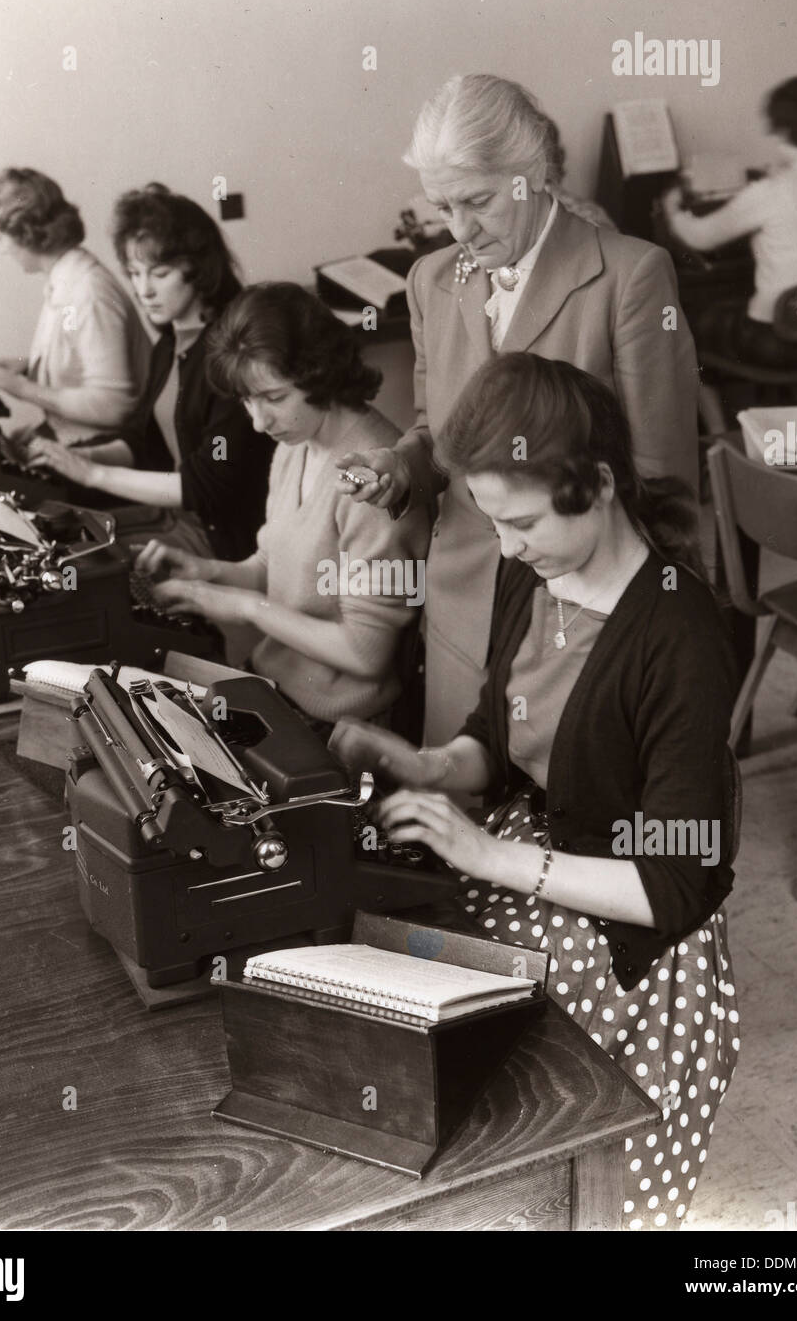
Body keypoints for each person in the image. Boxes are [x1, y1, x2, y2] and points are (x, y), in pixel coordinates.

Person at [331, 352, 740, 1231]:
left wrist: (484, 852)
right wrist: (427, 765)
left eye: (518, 522)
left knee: (530, 1160)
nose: (506, 546)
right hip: (532, 860)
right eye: (492, 521)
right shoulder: (533, 572)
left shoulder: (680, 635)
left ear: (594, 483)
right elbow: (496, 733)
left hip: (630, 935)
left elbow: (671, 884)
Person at [339, 73, 700, 744]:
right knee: (458, 806)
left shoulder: (629, 276)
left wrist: (647, 634)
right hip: (464, 597)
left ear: (529, 175)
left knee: (561, 815)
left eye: (476, 201)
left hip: (581, 605)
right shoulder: (432, 281)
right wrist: (398, 467)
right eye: (442, 207)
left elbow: (662, 478)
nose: (460, 230)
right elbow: (437, 433)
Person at [135, 283, 430, 728]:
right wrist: (208, 572)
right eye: (247, 401)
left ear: (320, 373)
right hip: (278, 690)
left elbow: (365, 654)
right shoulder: (296, 442)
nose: (258, 421)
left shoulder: (371, 481)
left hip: (339, 722)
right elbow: (272, 567)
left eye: (274, 398)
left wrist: (244, 607)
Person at [26, 184, 272, 561]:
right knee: (61, 548)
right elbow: (145, 445)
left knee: (83, 575)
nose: (143, 290)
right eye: (134, 273)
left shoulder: (230, 356)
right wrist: (77, 457)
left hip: (227, 542)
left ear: (197, 269)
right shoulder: (171, 345)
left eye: (159, 273)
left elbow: (209, 485)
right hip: (178, 520)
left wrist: (92, 475)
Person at [663, 76, 797, 368]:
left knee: (689, 321)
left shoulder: (772, 190)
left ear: (779, 130)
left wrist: (673, 210)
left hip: (777, 343)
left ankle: (717, 413)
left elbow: (700, 237)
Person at [0, 167, 149, 447]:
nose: (1, 250)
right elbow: (77, 360)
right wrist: (23, 367)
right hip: (81, 439)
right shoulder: (66, 279)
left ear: (25, 232)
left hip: (107, 451)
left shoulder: (88, 292)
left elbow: (114, 405)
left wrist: (17, 386)